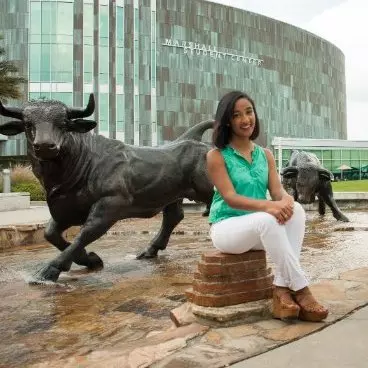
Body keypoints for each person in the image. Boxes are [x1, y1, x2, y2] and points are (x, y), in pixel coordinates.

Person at [206, 90, 328, 322]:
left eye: (249, 112)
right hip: (227, 229)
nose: (245, 119)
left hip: (259, 229)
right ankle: (301, 290)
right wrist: (269, 207)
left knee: (297, 212)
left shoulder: (265, 155)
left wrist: (286, 201)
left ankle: (281, 289)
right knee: (267, 218)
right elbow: (230, 197)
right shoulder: (217, 156)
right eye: (237, 115)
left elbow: (276, 191)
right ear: (228, 121)